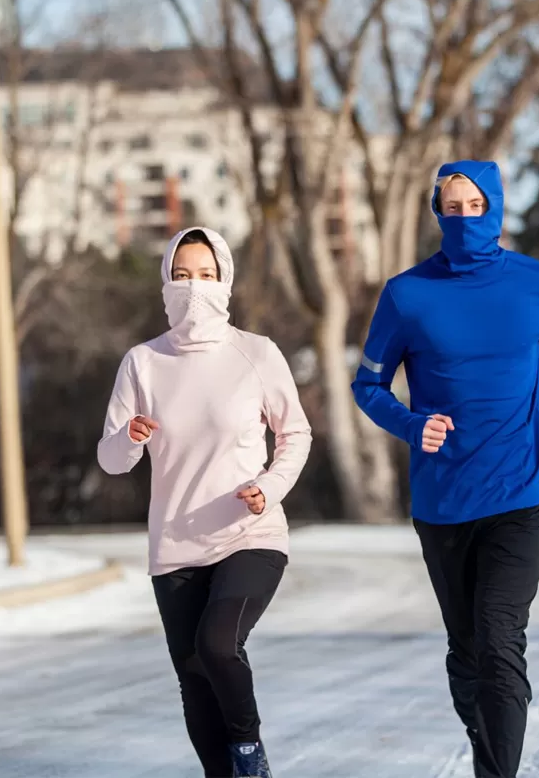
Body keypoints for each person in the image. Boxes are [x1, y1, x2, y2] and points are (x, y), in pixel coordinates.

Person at [352, 161, 539, 778]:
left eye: (476, 206)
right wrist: (414, 426)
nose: (465, 218)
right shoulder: (406, 294)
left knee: (499, 642)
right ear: (437, 212)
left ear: (496, 208)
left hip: (518, 494)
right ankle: (486, 727)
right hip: (441, 502)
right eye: (453, 206)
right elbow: (368, 385)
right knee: (467, 654)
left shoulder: (535, 282)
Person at [98, 227, 311, 778]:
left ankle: (249, 751)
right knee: (193, 678)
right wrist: (131, 438)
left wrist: (269, 487)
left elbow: (296, 434)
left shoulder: (255, 353)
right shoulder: (142, 363)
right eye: (183, 276)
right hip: (174, 545)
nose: (195, 288)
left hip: (249, 533)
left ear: (226, 281)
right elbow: (111, 459)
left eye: (207, 275)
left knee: (218, 645)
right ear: (166, 281)